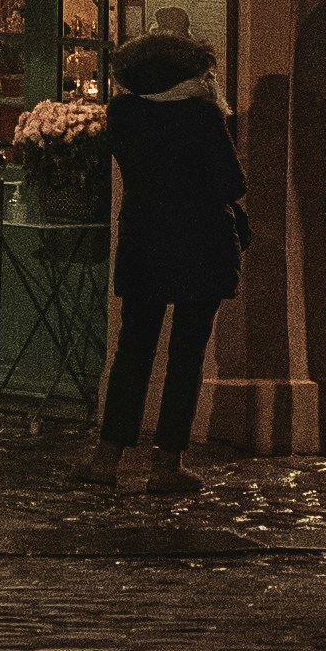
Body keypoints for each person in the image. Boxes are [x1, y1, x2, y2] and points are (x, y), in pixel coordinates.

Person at [89, 26, 247, 490]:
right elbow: (231, 184)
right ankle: (166, 465)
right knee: (186, 356)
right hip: (200, 246)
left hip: (144, 244)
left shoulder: (123, 113)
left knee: (133, 352)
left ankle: (106, 459)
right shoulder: (201, 115)